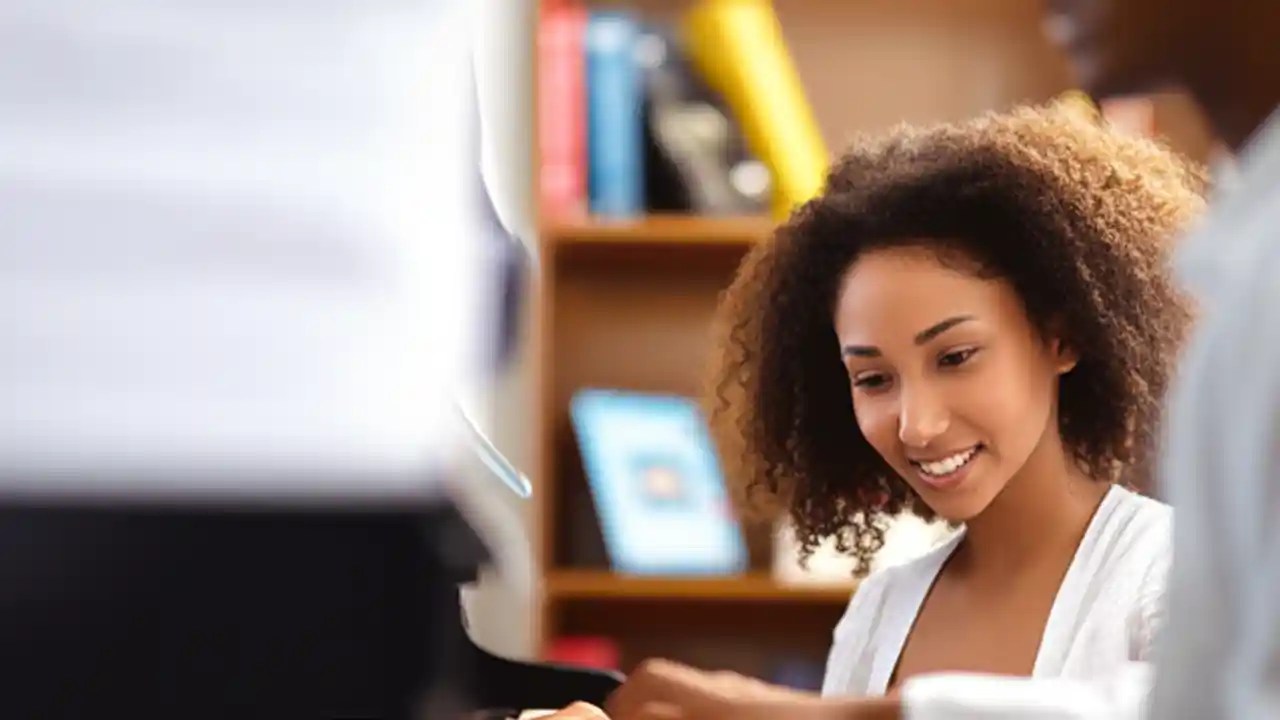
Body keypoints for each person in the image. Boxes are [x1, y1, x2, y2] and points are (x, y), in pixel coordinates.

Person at [601, 0, 1280, 717]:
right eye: (872, 379)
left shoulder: (1168, 572)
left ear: (1063, 337)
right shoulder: (878, 611)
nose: (917, 425)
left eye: (955, 356)